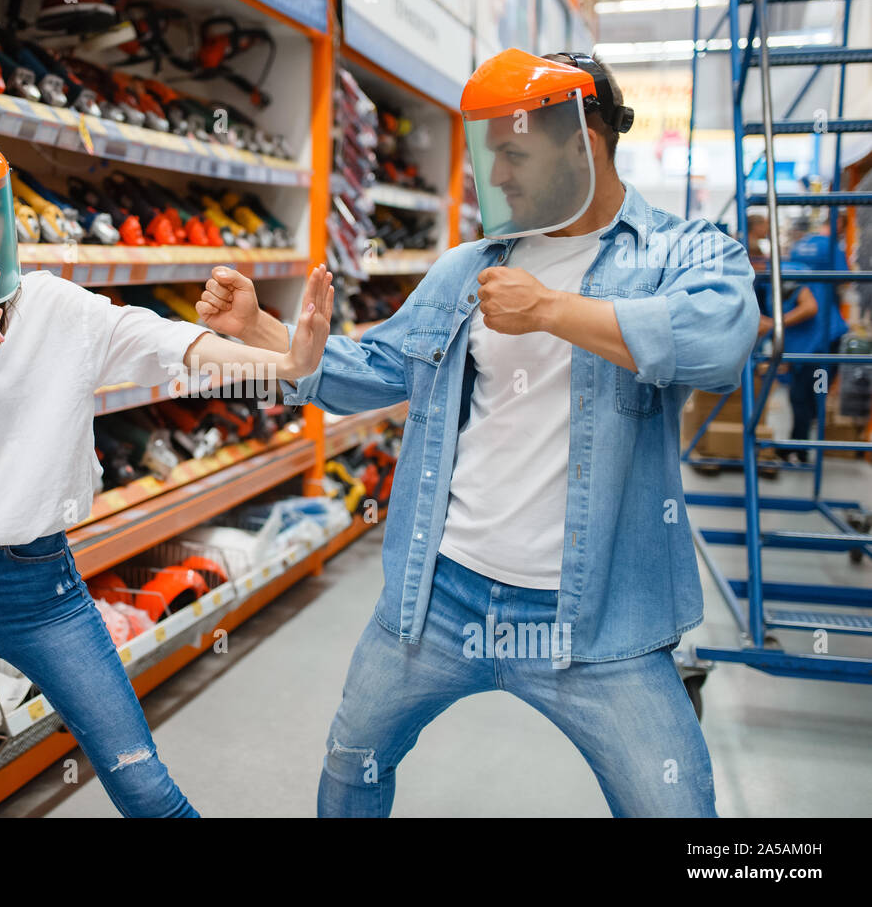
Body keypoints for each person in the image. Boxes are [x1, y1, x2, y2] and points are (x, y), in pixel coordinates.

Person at [196, 49, 759, 817]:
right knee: (350, 762)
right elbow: (379, 368)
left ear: (583, 142)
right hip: (441, 596)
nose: (498, 177)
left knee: (676, 807)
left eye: (515, 154)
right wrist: (262, 329)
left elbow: (720, 342)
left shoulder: (680, 252)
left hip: (594, 623)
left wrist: (553, 310)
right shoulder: (469, 268)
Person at [0, 128, 333, 817]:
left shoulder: (54, 310)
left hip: (41, 588)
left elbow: (168, 343)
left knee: (145, 788)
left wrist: (287, 365)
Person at [764, 215, 850, 459]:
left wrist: (772, 324)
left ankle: (798, 447)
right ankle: (799, 447)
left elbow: (809, 307)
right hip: (821, 338)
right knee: (809, 394)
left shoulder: (790, 266)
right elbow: (843, 279)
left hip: (820, 342)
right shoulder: (823, 248)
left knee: (804, 395)